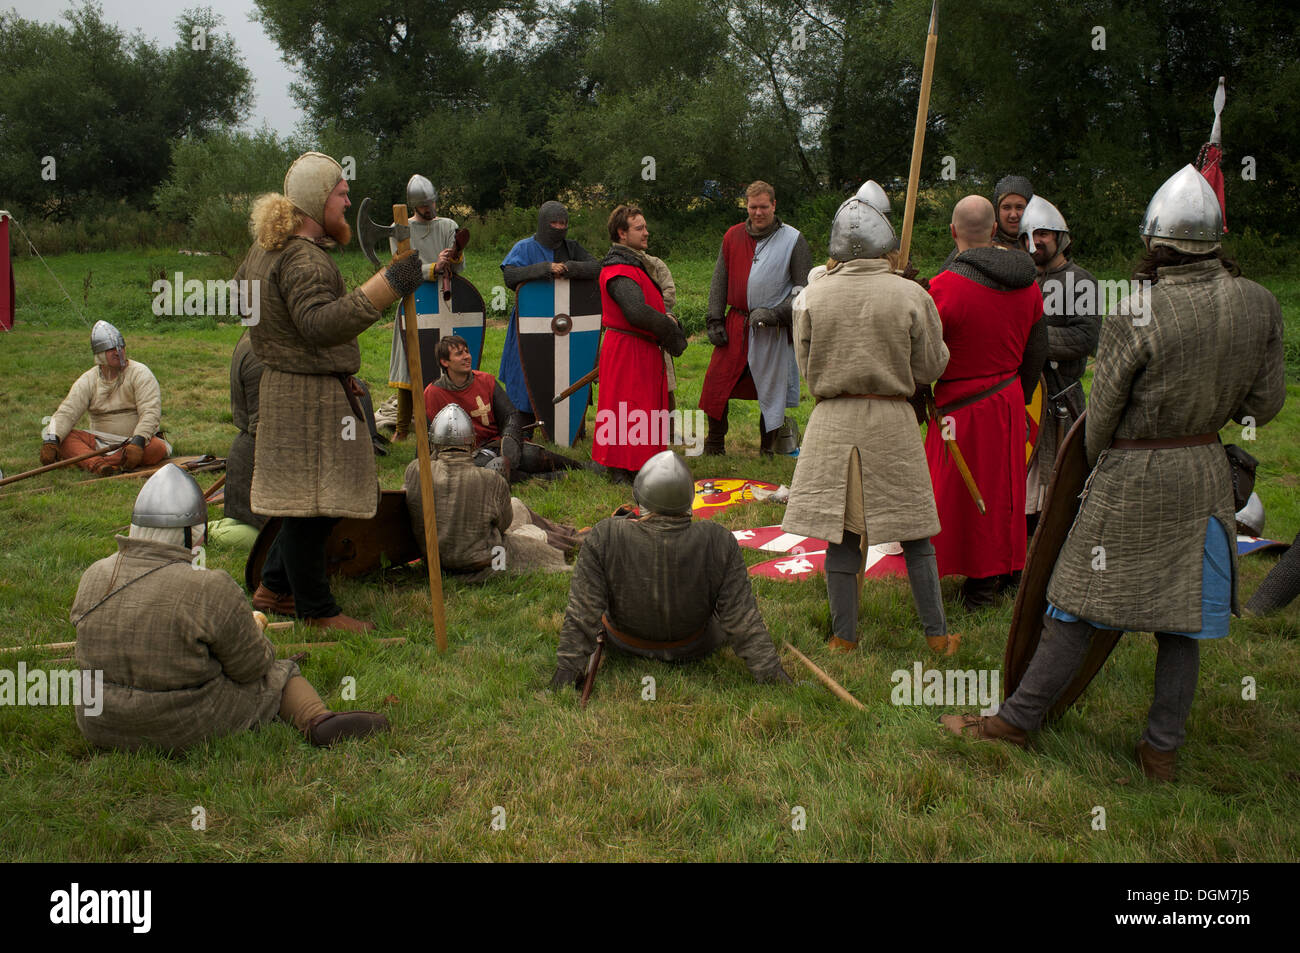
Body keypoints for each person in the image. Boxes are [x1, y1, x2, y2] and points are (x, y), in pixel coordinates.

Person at [941, 165, 1287, 781]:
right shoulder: (1260, 303)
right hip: (1206, 473)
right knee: (1182, 622)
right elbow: (1265, 405)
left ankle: (1016, 721)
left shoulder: (1138, 309)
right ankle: (1161, 751)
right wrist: (1210, 408)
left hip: (1131, 477)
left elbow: (1098, 424)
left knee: (1073, 602)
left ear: (1156, 240)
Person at [234, 151, 424, 632]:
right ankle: (316, 610)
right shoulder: (304, 259)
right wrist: (387, 285)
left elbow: (245, 299)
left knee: (308, 500)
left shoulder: (265, 250)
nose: (347, 200)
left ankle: (274, 588)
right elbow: (319, 324)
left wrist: (283, 345)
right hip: (307, 397)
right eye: (341, 192)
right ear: (316, 201)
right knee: (314, 505)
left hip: (290, 385)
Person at [71, 464, 390, 751]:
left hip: (97, 720)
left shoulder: (94, 575)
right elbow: (250, 667)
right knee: (279, 673)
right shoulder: (208, 587)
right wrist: (255, 637)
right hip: (180, 724)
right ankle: (317, 720)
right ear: (192, 534)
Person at [783, 186, 955, 654]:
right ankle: (936, 637)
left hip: (832, 420)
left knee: (842, 538)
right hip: (891, 421)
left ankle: (845, 639)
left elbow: (805, 366)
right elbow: (930, 367)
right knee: (914, 534)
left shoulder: (814, 295)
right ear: (887, 243)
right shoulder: (910, 294)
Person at [550, 451, 792, 689]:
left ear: (640, 498)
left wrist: (567, 672)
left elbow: (584, 610)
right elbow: (741, 617)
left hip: (625, 642)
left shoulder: (606, 535)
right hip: (694, 645)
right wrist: (772, 673)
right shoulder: (717, 539)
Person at [924, 195, 1045, 609]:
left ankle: (981, 586)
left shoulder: (945, 288)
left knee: (964, 493)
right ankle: (1009, 571)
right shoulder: (1028, 283)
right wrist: (1019, 396)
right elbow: (1035, 350)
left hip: (963, 407)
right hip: (1009, 400)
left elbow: (922, 354)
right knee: (1005, 489)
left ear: (953, 232)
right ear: (995, 230)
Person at [699, 181, 811, 455]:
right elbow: (719, 280)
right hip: (736, 322)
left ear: (774, 205)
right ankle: (714, 443)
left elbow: (804, 290)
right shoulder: (733, 236)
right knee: (717, 382)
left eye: (763, 207)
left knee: (772, 389)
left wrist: (776, 313)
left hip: (771, 329)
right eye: (752, 207)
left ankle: (768, 447)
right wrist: (715, 318)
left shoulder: (793, 240)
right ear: (746, 206)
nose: (758, 213)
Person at [404, 405, 581, 579]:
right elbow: (504, 525)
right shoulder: (491, 480)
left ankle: (568, 532)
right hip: (489, 563)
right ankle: (578, 540)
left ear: (434, 442)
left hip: (436, 562)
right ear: (472, 443)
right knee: (530, 537)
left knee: (517, 504)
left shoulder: (415, 471)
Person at [1020, 195, 1100, 527]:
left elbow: (1086, 338)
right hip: (1026, 399)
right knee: (1024, 478)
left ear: (1060, 238)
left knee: (1056, 484)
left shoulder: (1080, 282)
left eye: (1043, 234)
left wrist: (1034, 341)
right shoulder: (1024, 279)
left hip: (1058, 399)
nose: (1034, 242)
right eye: (1028, 236)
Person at [593, 204, 688, 480]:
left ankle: (642, 465)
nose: (646, 233)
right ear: (622, 233)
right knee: (628, 408)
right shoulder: (618, 269)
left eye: (645, 227)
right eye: (639, 228)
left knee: (643, 408)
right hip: (627, 349)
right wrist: (672, 334)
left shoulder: (634, 264)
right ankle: (623, 469)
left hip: (640, 347)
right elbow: (636, 312)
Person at [423, 335, 588, 481]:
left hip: (494, 444)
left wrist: (509, 438)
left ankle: (580, 466)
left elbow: (511, 415)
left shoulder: (486, 381)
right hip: (465, 456)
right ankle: (540, 479)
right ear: (445, 362)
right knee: (488, 468)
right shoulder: (433, 393)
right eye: (459, 354)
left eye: (467, 351)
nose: (467, 357)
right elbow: (428, 437)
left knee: (531, 456)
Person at [497, 201, 602, 421]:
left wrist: (570, 268)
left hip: (565, 322)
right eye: (554, 223)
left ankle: (569, 423)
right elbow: (510, 276)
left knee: (566, 369)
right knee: (527, 369)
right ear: (544, 223)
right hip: (530, 322)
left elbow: (595, 268)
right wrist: (544, 268)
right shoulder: (524, 248)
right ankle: (523, 422)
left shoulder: (571, 248)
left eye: (563, 223)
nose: (559, 227)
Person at [387, 174, 465, 440]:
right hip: (414, 299)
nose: (430, 209)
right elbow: (400, 271)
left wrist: (452, 258)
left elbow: (460, 267)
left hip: (445, 300)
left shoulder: (448, 225)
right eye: (424, 205)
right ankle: (401, 428)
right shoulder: (400, 229)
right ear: (414, 206)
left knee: (447, 358)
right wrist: (432, 267)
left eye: (432, 203)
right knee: (408, 362)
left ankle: (450, 419)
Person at [40, 320, 171, 476]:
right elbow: (67, 412)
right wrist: (51, 440)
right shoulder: (88, 379)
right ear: (100, 355)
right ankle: (99, 464)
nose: (118, 352)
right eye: (111, 349)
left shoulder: (140, 373)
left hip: (137, 441)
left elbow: (151, 412)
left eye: (121, 347)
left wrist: (138, 440)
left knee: (157, 448)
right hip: (99, 443)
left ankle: (90, 461)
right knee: (65, 439)